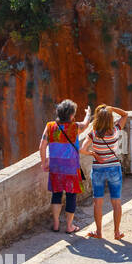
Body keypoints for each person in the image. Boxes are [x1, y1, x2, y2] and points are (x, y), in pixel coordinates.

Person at [39, 99, 90, 234]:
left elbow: (42, 146)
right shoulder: (75, 127)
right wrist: (88, 113)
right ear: (71, 115)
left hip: (56, 167)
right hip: (72, 168)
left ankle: (56, 224)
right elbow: (86, 124)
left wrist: (44, 162)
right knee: (71, 195)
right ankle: (69, 226)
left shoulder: (50, 126)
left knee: (56, 194)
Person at [81, 104, 129, 241]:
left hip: (98, 169)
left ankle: (99, 232)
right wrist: (111, 108)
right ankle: (117, 232)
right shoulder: (115, 130)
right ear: (109, 119)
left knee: (98, 203)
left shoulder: (93, 134)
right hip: (114, 167)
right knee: (116, 202)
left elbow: (82, 149)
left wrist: (94, 155)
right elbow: (125, 114)